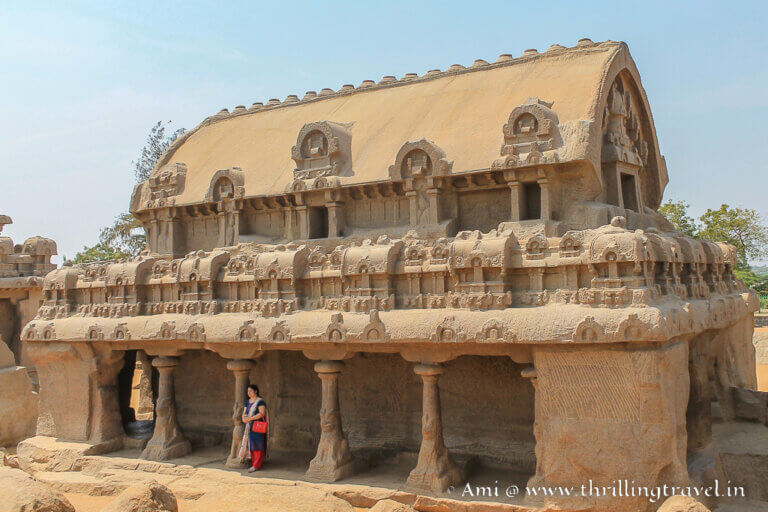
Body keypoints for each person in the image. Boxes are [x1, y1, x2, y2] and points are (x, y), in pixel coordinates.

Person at [240, 384, 268, 472]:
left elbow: (261, 413)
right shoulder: (247, 402)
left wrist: (250, 418)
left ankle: (256, 465)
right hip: (249, 427)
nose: (248, 393)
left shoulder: (260, 402)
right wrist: (244, 419)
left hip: (257, 426)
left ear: (256, 391)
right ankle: (254, 463)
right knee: (251, 445)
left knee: (258, 445)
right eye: (248, 391)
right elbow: (244, 412)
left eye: (250, 391)